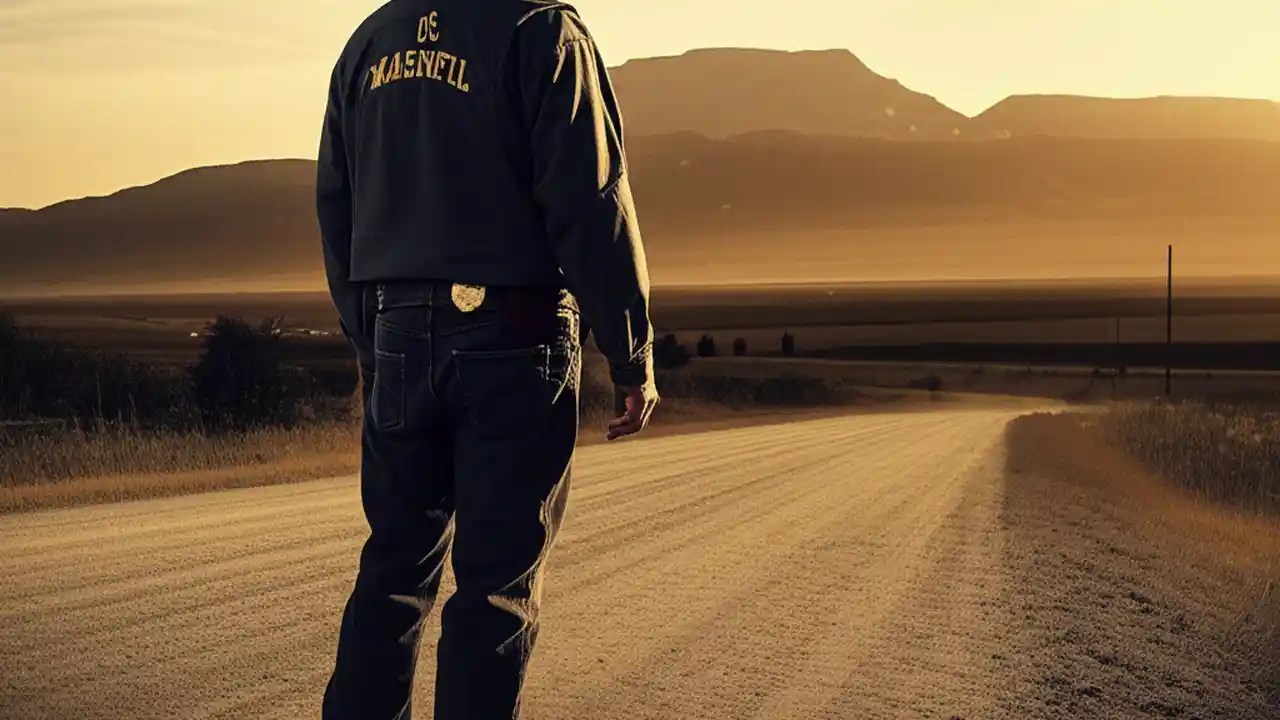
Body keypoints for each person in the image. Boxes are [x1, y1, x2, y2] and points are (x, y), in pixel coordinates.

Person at [315, 1, 658, 718]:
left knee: (392, 572)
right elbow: (591, 203)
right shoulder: (540, 30)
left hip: (397, 326)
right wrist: (631, 352)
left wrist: (369, 342)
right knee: (496, 588)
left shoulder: (369, 42)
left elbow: (336, 208)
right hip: (515, 333)